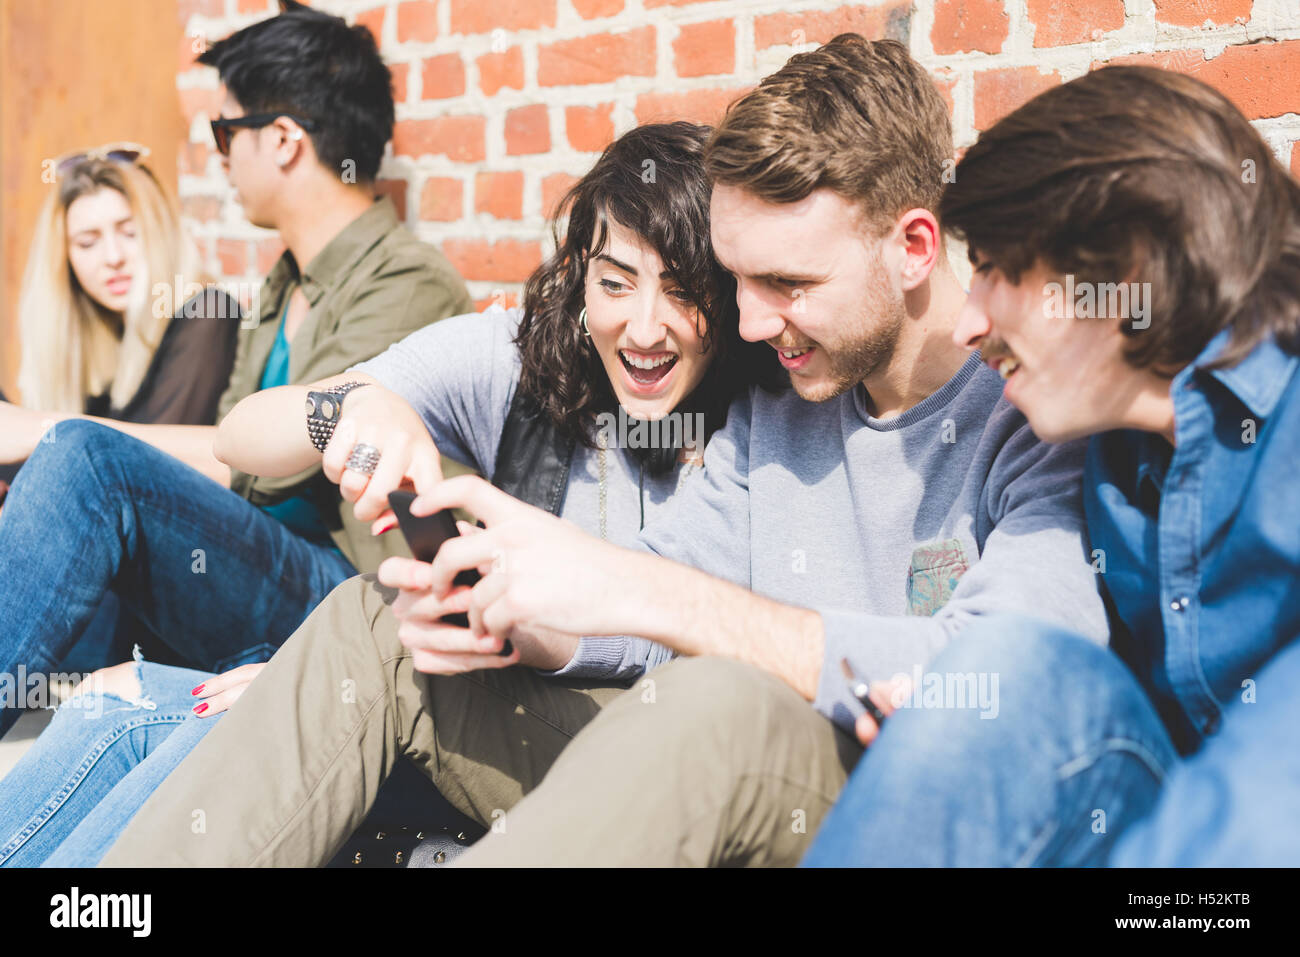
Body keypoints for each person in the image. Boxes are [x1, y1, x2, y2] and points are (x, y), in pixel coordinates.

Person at [101, 35, 1109, 869]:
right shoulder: (779, 384)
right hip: (691, 752)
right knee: (375, 627)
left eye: (786, 284)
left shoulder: (1029, 408)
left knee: (717, 701)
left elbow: (1016, 679)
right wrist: (516, 611)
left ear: (916, 248)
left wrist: (635, 592)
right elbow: (658, 610)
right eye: (737, 283)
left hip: (880, 807)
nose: (748, 323)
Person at [0, 121, 775, 867]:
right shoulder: (521, 358)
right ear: (579, 281)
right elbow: (242, 435)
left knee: (355, 633)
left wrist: (488, 630)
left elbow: (687, 640)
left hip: (638, 745)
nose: (646, 326)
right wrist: (357, 406)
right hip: (482, 691)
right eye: (615, 283)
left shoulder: (762, 418)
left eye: (683, 291)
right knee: (126, 706)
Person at [801, 65, 1300, 866]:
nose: (968, 324)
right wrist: (970, 728)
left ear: (1124, 269)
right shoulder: (1109, 467)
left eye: (998, 269)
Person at [0, 0, 470, 743]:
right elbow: (229, 447)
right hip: (260, 566)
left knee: (83, 458)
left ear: (282, 140)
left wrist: (54, 430)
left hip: (344, 595)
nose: (220, 155)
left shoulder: (405, 284)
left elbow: (274, 470)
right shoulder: (284, 287)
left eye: (226, 131)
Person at [0, 146, 238, 497]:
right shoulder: (101, 337)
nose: (113, 257)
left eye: (130, 233)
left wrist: (38, 429)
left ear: (158, 231)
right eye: (88, 242)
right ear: (64, 259)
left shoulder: (209, 312)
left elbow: (141, 470)